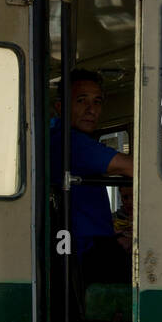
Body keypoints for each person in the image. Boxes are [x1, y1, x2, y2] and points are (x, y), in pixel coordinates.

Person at [51, 69, 133, 285]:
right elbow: (132, 168)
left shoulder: (61, 136)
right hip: (87, 253)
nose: (91, 109)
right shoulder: (70, 143)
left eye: (97, 102)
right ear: (60, 107)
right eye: (81, 100)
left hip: (93, 244)